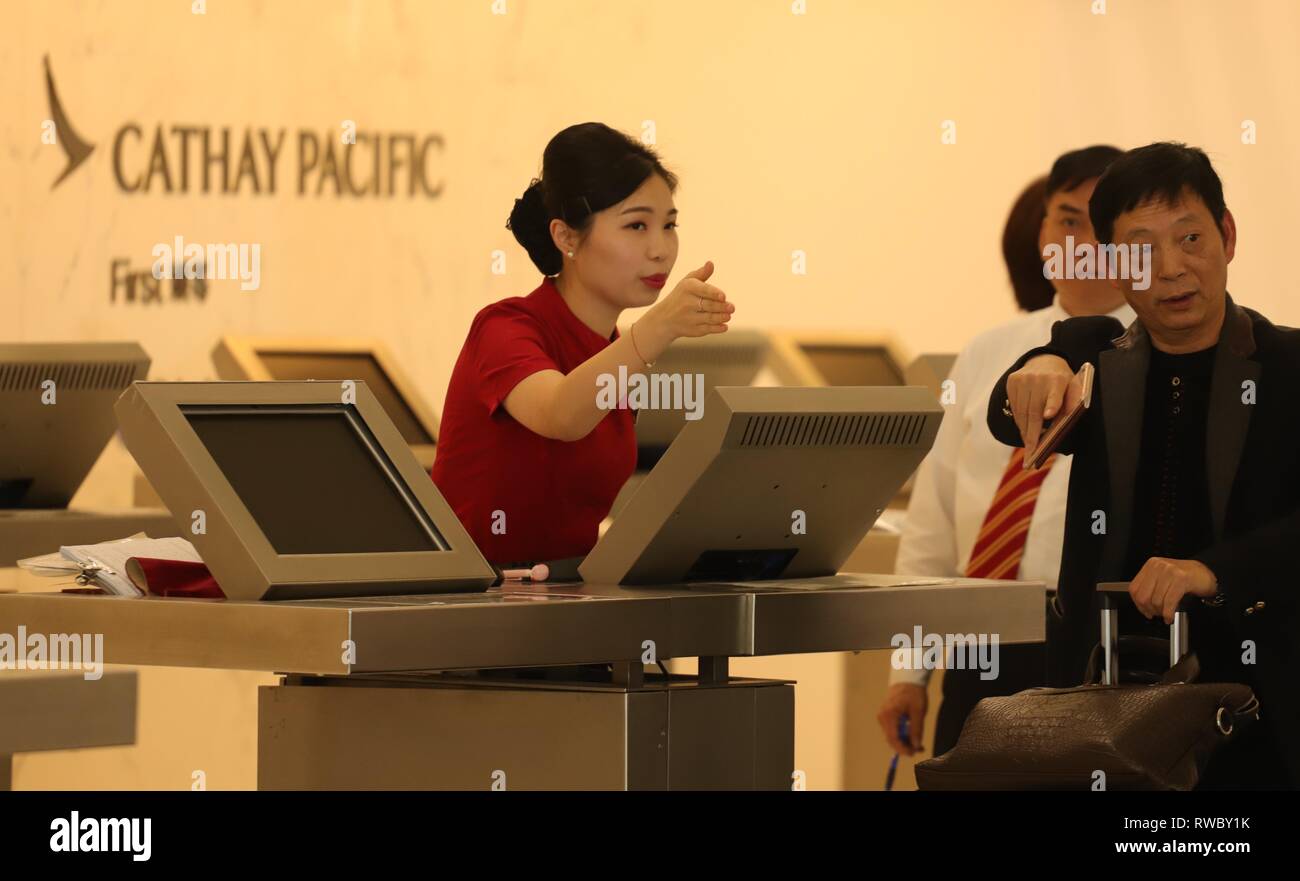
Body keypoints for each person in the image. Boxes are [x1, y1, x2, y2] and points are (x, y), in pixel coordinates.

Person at [991, 141, 1300, 788]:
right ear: (1111, 261)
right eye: (1141, 248)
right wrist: (1039, 361)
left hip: (1260, 713)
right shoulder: (1098, 366)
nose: (1171, 269)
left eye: (1190, 237)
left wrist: (1213, 570)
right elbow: (1005, 414)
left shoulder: (1287, 366)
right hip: (1105, 709)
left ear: (1228, 235)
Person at [877, 146, 1132, 759]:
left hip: (1092, 643)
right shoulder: (988, 350)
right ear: (1041, 230)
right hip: (975, 631)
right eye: (1066, 219)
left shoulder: (1150, 354)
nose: (1079, 240)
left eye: (1100, 225)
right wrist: (910, 671)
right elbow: (933, 524)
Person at [432, 122, 735, 567]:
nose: (660, 250)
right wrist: (656, 329)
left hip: (563, 599)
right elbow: (560, 413)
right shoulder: (504, 327)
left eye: (668, 225)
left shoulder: (617, 351)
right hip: (469, 604)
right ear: (566, 237)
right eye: (636, 225)